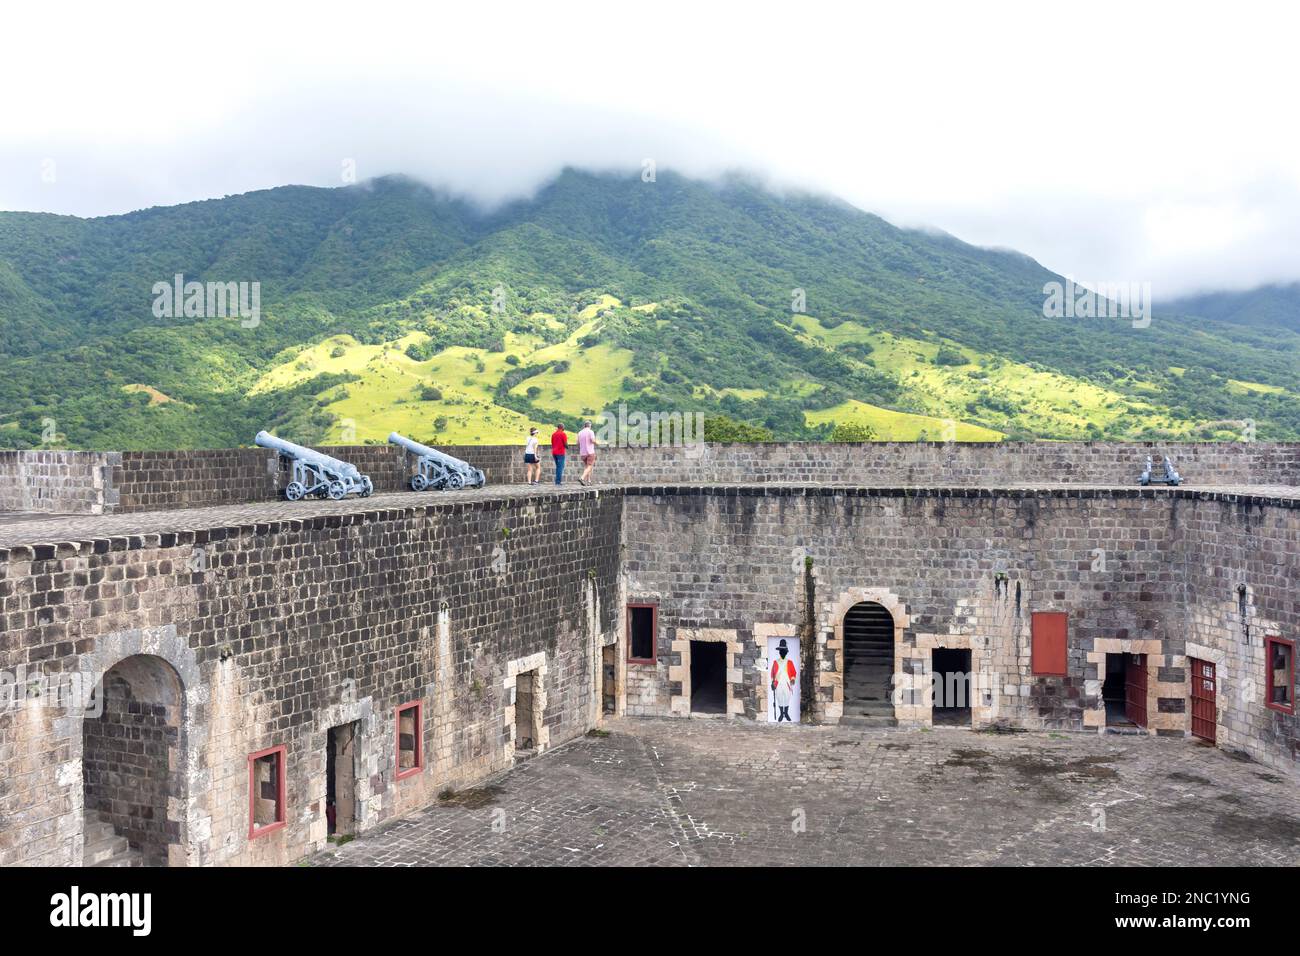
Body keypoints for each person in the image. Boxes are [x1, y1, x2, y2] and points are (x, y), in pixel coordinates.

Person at [771, 638, 798, 723]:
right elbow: (772, 674)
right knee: (779, 698)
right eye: (781, 651)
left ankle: (786, 713)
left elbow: (793, 672)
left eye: (783, 651)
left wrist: (792, 679)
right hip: (778, 683)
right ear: (779, 652)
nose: (782, 652)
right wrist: (773, 683)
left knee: (786, 698)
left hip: (787, 683)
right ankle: (781, 714)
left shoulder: (790, 662)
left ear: (786, 652)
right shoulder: (775, 662)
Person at [577, 419, 599, 485]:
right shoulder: (590, 431)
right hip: (590, 452)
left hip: (583, 452)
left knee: (587, 467)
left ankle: (589, 481)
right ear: (590, 426)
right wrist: (597, 443)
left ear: (584, 426)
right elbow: (592, 440)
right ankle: (582, 478)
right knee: (589, 466)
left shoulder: (580, 433)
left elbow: (577, 443)